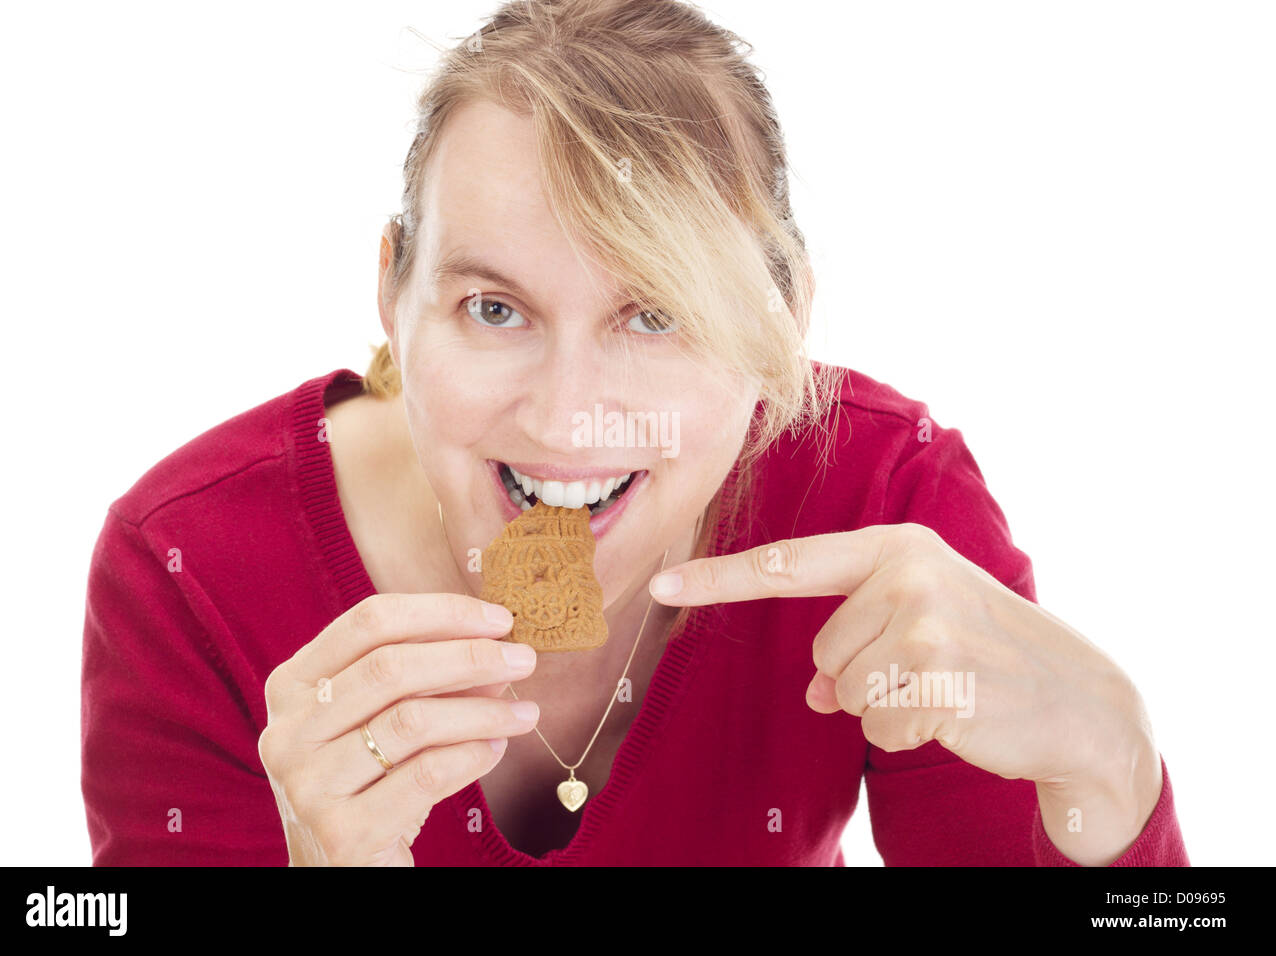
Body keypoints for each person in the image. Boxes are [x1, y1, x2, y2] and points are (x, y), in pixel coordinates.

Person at [81, 0, 1188, 866]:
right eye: (496, 309)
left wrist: (1112, 758)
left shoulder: (881, 503)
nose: (569, 418)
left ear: (784, 317)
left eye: (653, 313)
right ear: (392, 294)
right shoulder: (186, 565)